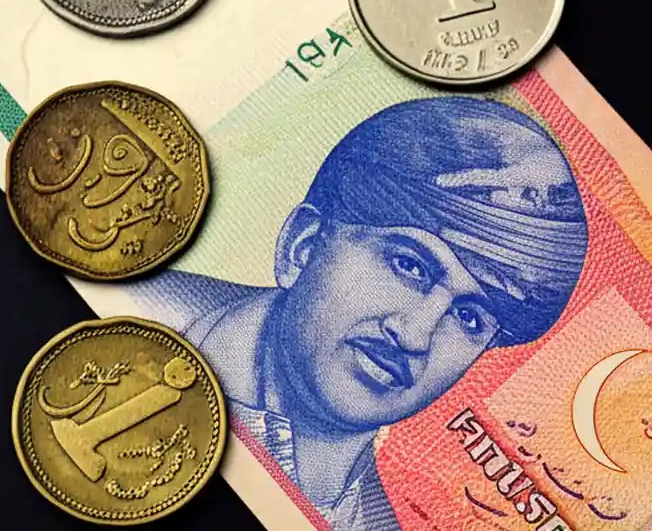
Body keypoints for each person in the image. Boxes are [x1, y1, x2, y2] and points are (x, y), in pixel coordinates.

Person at [132, 97, 589, 531]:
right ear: (303, 245)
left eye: (470, 317)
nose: (415, 335)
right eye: (409, 266)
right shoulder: (124, 306)